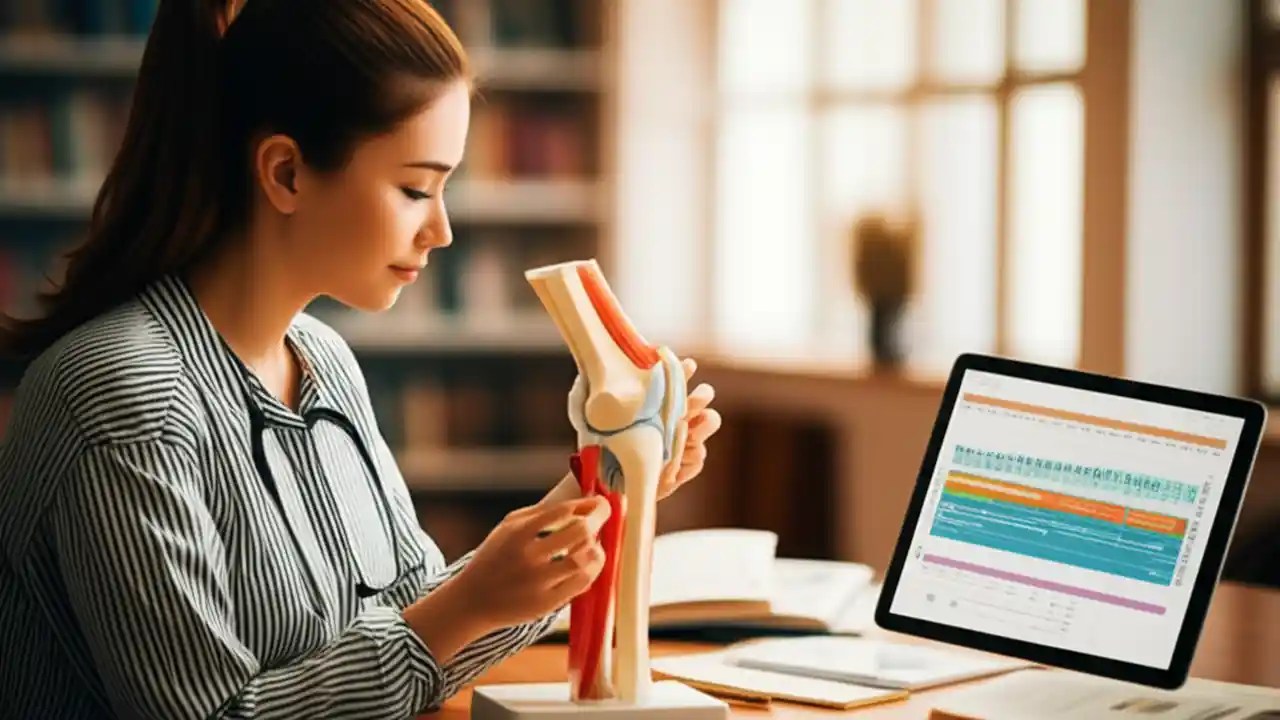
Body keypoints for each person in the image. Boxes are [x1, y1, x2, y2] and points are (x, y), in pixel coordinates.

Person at [0, 1, 722, 718]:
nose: (441, 230)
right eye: (415, 188)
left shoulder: (323, 361)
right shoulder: (121, 397)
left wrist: (610, 485)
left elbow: (415, 631)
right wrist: (462, 606)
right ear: (285, 173)